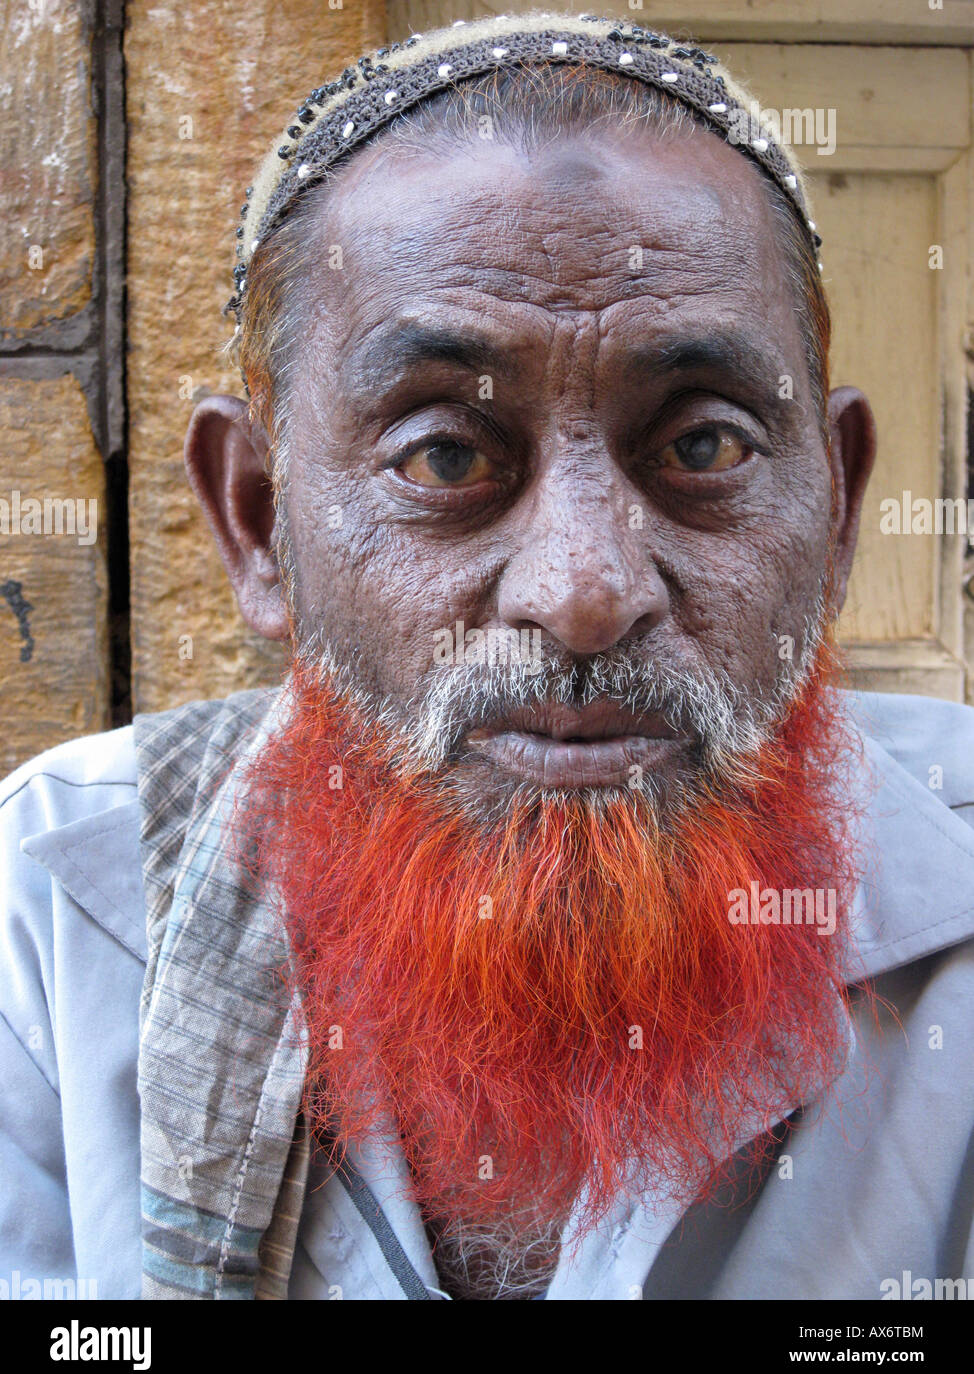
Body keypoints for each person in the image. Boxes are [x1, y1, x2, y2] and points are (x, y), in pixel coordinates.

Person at [2, 11, 972, 1302]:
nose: (583, 593)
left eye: (701, 447)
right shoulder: (53, 916)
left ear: (838, 508)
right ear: (254, 519)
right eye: (443, 456)